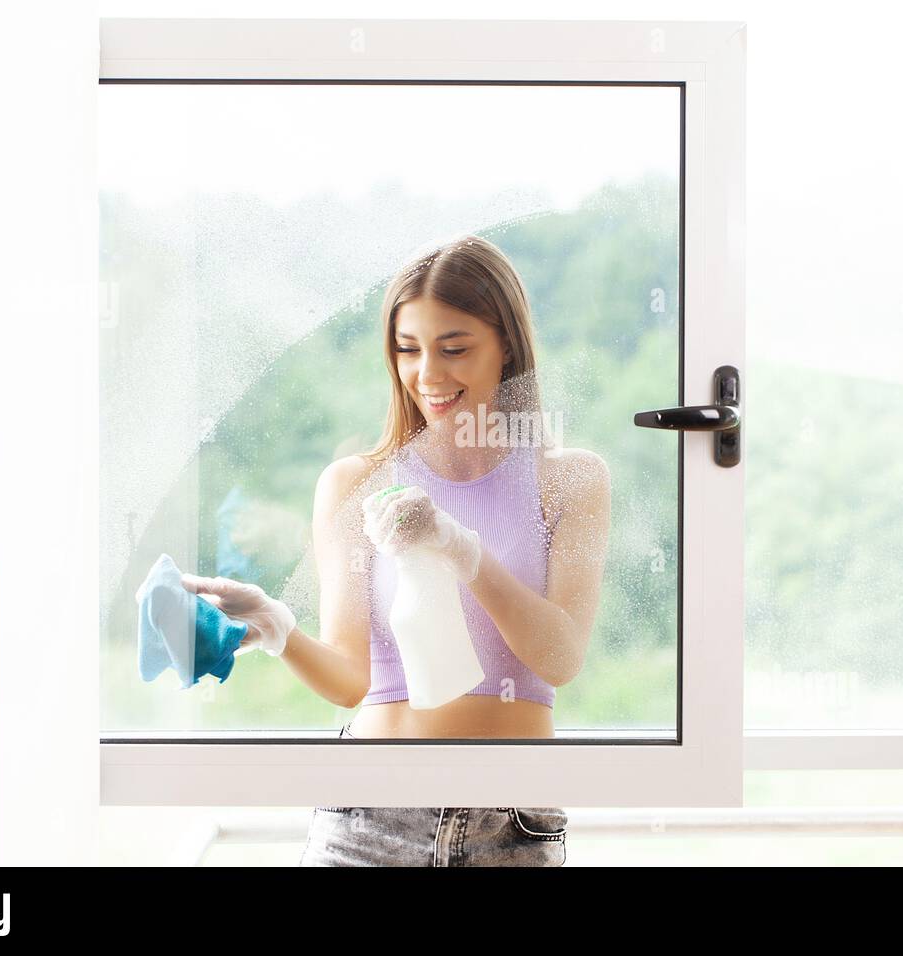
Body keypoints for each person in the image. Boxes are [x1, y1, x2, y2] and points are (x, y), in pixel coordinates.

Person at [182, 235, 611, 866]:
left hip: (510, 827)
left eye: (454, 348)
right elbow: (352, 680)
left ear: (507, 347)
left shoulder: (570, 479)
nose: (428, 375)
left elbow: (560, 657)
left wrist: (459, 548)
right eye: (408, 350)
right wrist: (278, 630)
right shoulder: (356, 483)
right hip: (368, 818)